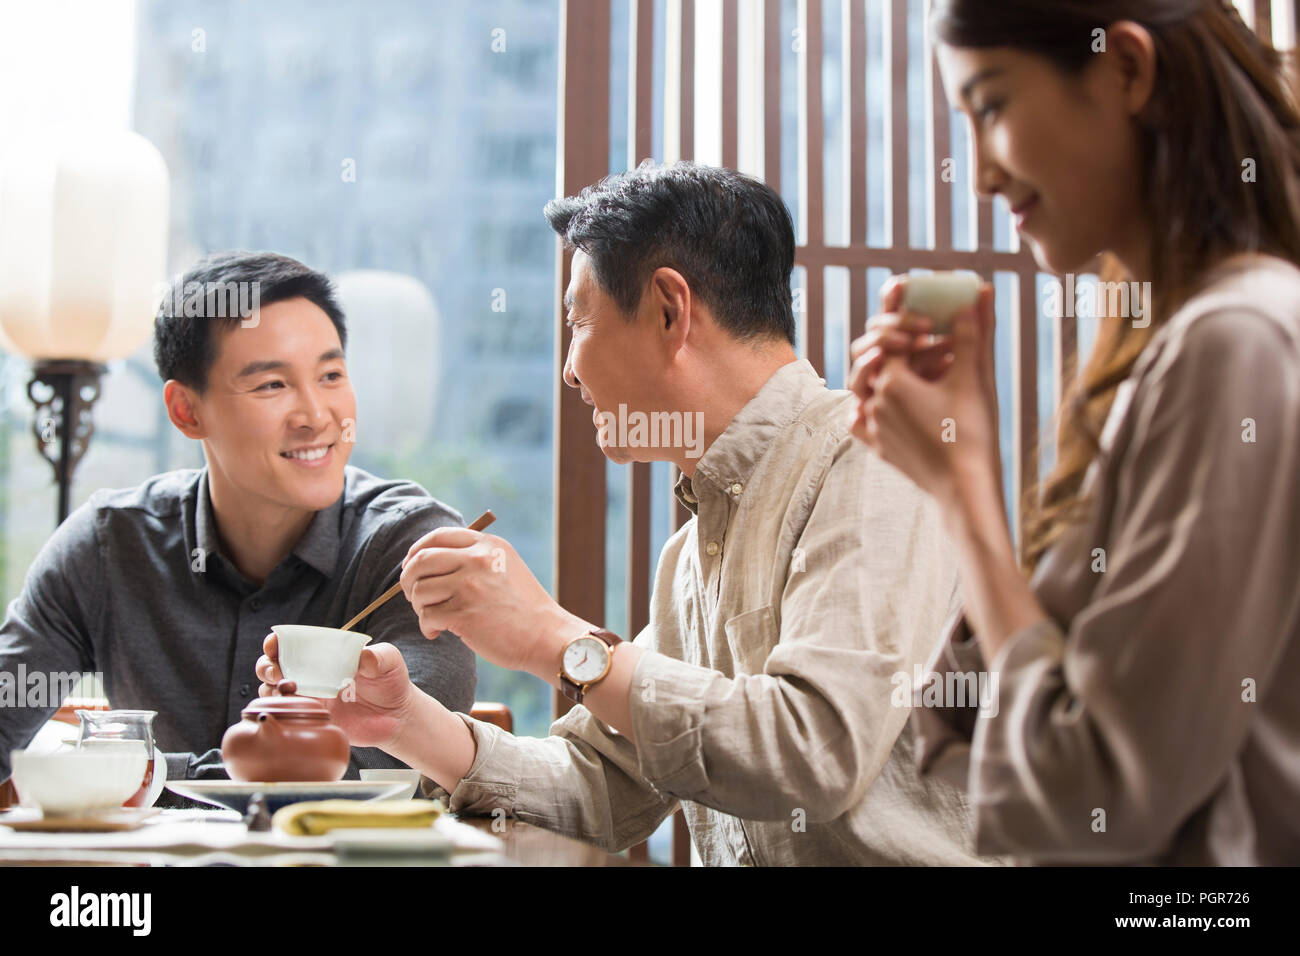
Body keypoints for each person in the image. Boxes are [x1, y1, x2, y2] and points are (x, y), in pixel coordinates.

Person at [260, 162, 986, 865]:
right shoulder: (688, 556)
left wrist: (553, 638)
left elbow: (813, 752)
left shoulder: (873, 459)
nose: (569, 370)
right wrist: (403, 722)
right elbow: (599, 789)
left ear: (670, 310)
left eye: (579, 320)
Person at [848, 0, 1300, 864]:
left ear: (1126, 69)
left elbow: (1090, 794)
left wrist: (963, 496)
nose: (980, 176)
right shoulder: (1176, 349)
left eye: (991, 106)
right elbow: (977, 738)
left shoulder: (1238, 340)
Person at [0, 251, 476, 786]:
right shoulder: (109, 548)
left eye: (330, 375)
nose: (316, 416)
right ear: (187, 411)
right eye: (272, 384)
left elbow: (398, 764)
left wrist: (137, 771)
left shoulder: (412, 549)